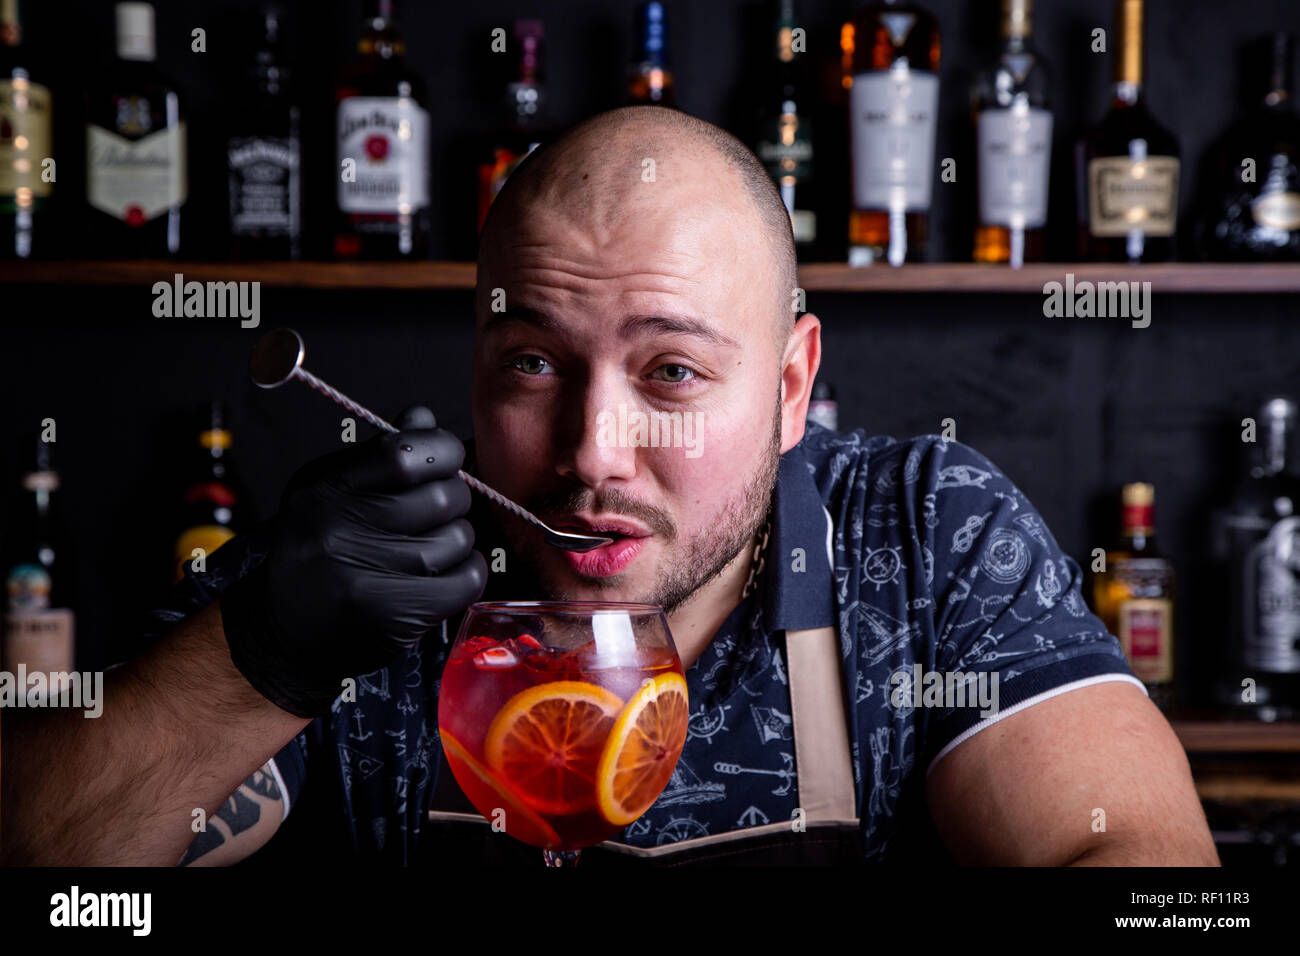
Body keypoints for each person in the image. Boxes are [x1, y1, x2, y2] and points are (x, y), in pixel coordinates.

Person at [0, 106, 1219, 866]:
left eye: (674, 371)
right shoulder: (353, 578)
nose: (591, 448)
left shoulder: (923, 537)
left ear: (793, 385)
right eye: (531, 361)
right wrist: (258, 653)